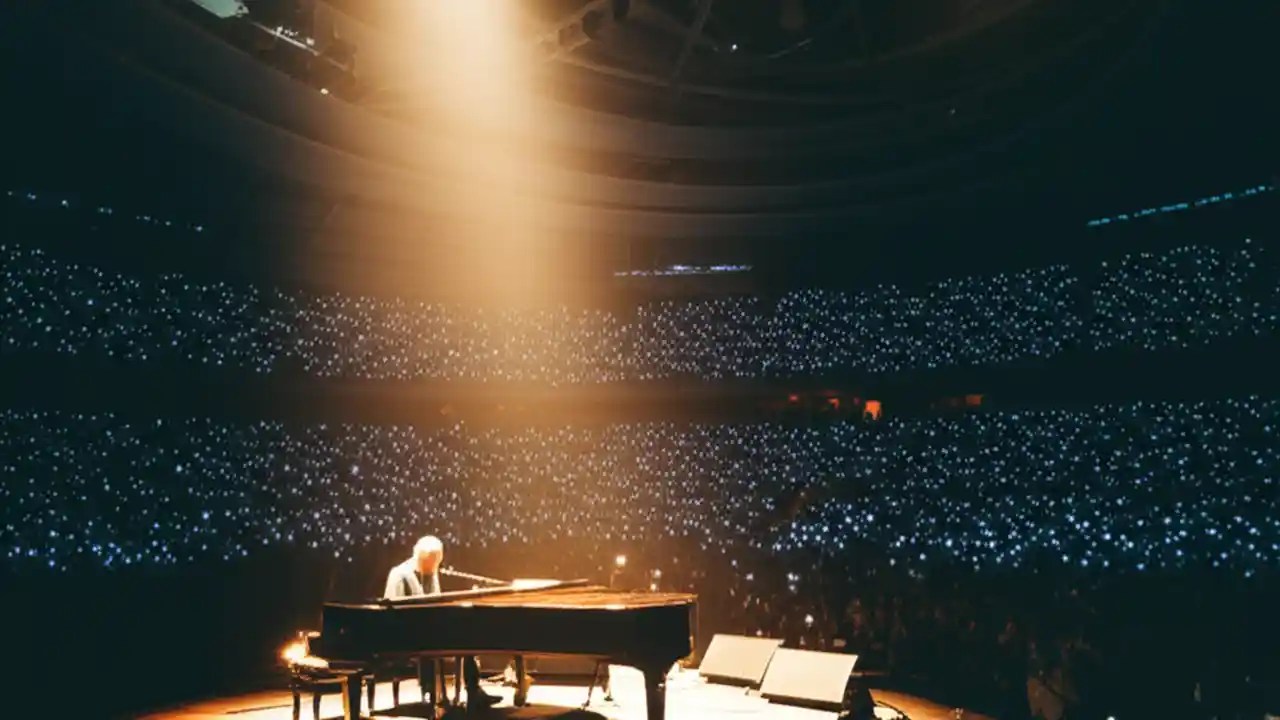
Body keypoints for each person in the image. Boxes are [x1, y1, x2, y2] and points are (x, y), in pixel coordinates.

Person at [384, 536, 500, 709]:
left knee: (470, 638)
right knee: (437, 645)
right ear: (420, 557)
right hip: (405, 635)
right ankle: (431, 692)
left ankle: (473, 691)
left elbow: (435, 603)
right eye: (431, 563)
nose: (434, 568)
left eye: (436, 564)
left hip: (427, 630)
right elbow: (392, 615)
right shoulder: (399, 575)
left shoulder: (430, 572)